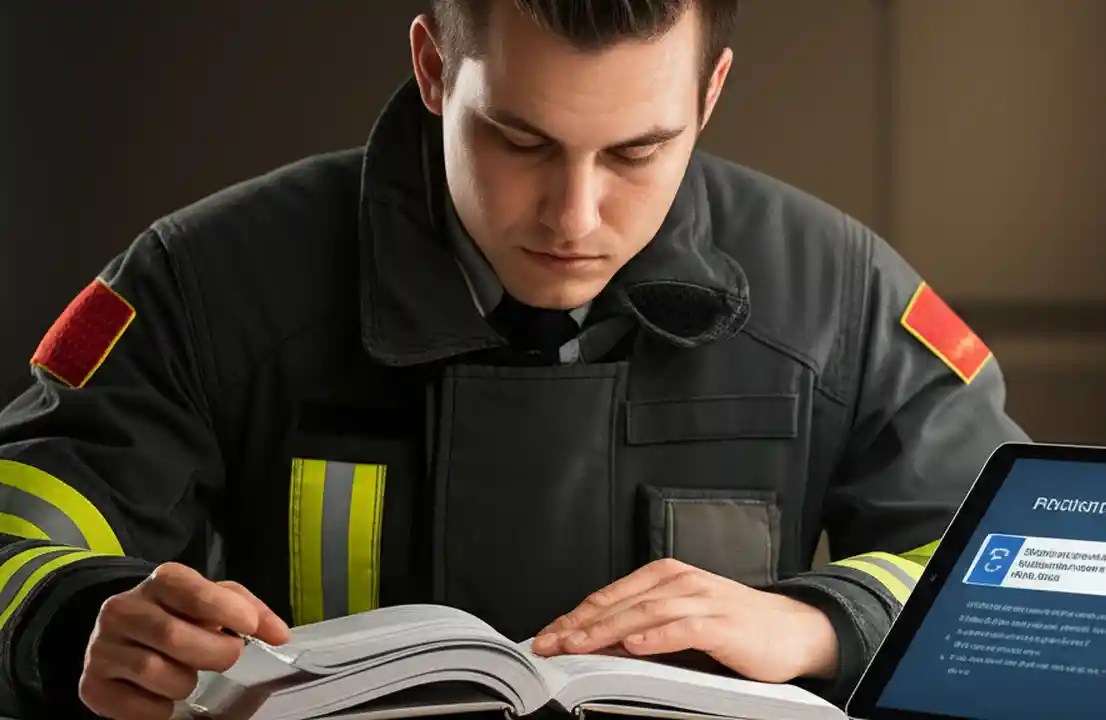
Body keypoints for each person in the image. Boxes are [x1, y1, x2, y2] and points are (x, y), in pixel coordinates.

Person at [0, 1, 1027, 718]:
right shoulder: (210, 280)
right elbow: (25, 511)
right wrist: (76, 616)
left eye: (635, 153)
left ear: (710, 93)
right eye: (518, 142)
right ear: (434, 66)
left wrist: (816, 624)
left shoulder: (835, 295)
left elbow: (1016, 565)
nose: (574, 219)